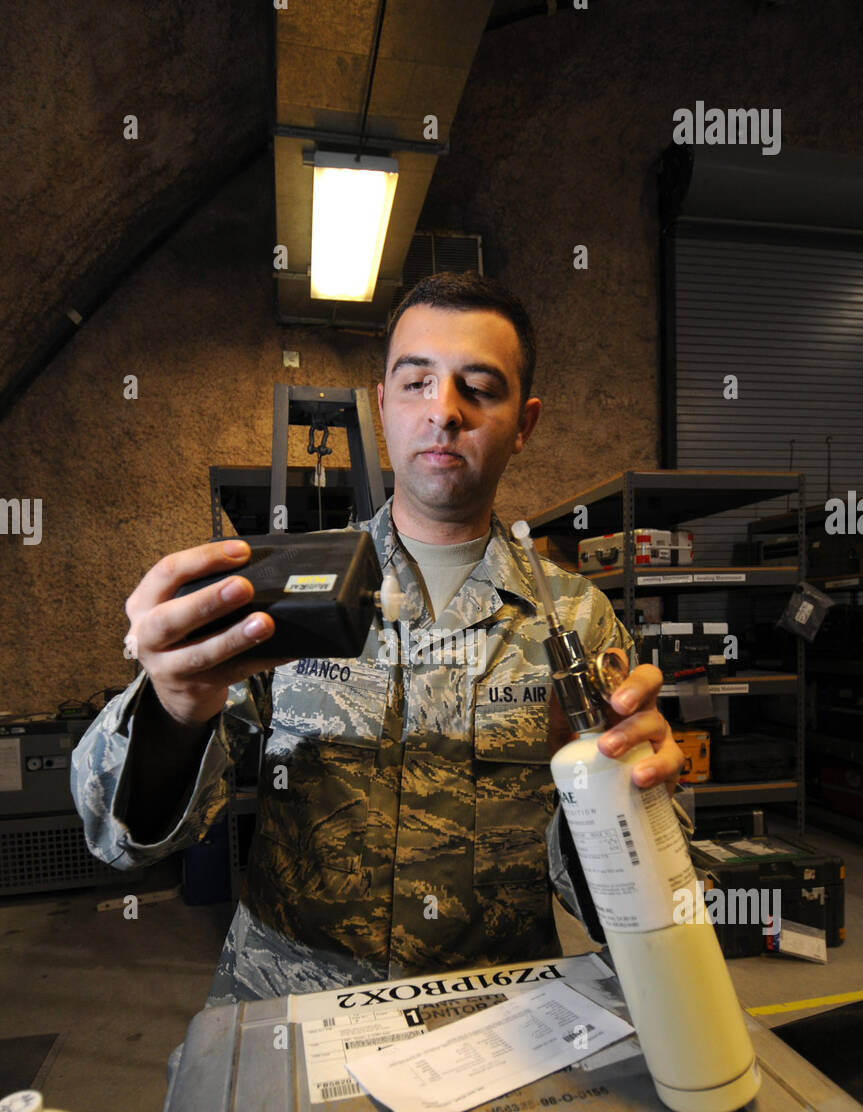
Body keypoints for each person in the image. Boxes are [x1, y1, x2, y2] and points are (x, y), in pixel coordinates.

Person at [70, 272, 685, 1004]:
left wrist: (622, 793)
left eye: (479, 389)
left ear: (524, 423)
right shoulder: (282, 589)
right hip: (292, 1006)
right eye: (417, 383)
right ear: (383, 404)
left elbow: (639, 899)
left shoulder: (578, 624)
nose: (444, 412)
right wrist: (173, 708)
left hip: (495, 1012)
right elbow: (123, 840)